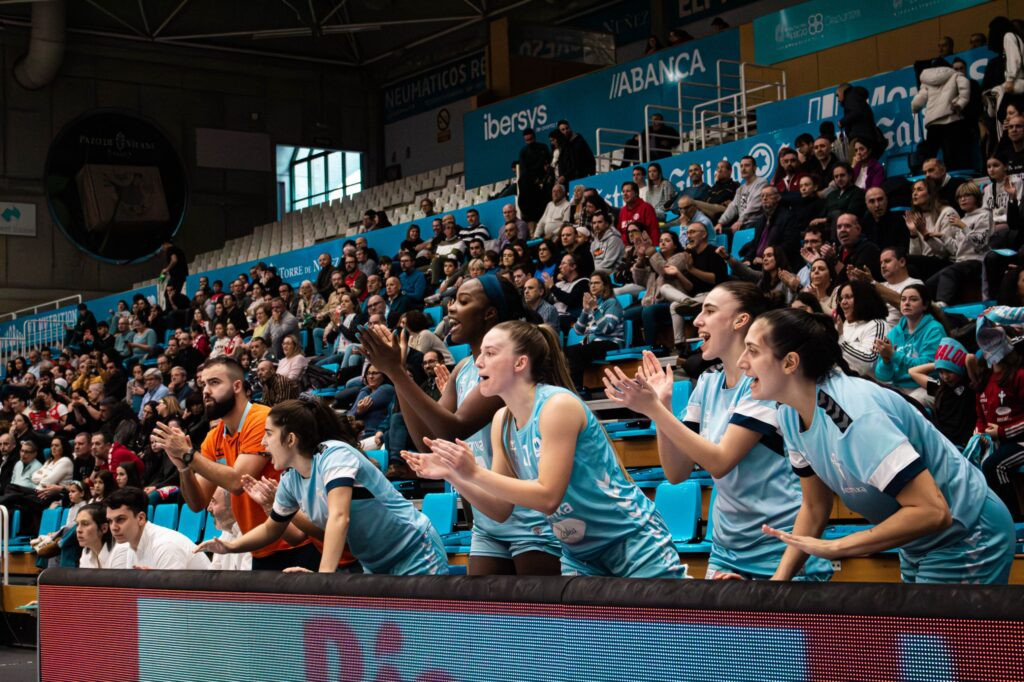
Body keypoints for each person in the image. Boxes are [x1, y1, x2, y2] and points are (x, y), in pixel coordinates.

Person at [738, 308, 1016, 584]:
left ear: (790, 363)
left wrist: (839, 546)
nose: (741, 362)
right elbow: (815, 506)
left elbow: (933, 511)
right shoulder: (789, 414)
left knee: (930, 629)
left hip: (968, 531)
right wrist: (777, 582)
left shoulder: (854, 416)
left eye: (752, 351)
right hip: (918, 543)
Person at [405, 321, 686, 578]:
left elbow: (548, 496)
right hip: (580, 556)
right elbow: (501, 509)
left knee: (663, 633)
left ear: (520, 363)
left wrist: (474, 472)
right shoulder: (502, 420)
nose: (478, 362)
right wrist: (456, 475)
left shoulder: (556, 406)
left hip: (632, 542)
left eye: (490, 353)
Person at [603, 283, 833, 581]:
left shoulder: (765, 385)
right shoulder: (708, 383)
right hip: (727, 552)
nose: (697, 321)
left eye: (709, 311)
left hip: (781, 551)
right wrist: (662, 405)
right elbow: (677, 473)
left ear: (740, 321)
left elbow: (720, 462)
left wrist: (654, 411)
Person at [358, 275, 562, 575]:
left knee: (541, 621)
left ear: (490, 313)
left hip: (530, 517)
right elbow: (428, 439)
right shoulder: (465, 368)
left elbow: (452, 429)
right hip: (487, 520)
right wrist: (397, 372)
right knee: (484, 620)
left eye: (464, 302)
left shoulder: (507, 368)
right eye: (452, 300)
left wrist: (396, 373)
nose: (451, 308)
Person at [198, 397, 447, 575]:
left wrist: (323, 578)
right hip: (375, 565)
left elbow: (340, 517)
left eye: (269, 434)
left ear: (291, 439)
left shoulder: (334, 455)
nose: (263, 442)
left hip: (414, 550)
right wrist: (230, 546)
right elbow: (272, 529)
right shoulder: (290, 480)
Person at [150, 357, 320, 571]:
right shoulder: (214, 437)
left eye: (214, 382)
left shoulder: (263, 420)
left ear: (237, 386)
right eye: (203, 384)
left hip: (297, 544)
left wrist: (188, 454)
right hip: (259, 546)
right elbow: (197, 503)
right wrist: (182, 467)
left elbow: (238, 482)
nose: (205, 391)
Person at [972, 317, 1024, 520]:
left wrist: (1001, 432)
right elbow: (980, 417)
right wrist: (979, 434)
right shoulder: (984, 380)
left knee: (995, 466)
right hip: (997, 442)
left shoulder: (1019, 376)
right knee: (971, 465)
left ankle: (1013, 520)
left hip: (1019, 441)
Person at [104, 486, 211, 569]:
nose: (113, 527)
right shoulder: (128, 545)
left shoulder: (166, 545)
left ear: (141, 518)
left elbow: (171, 596)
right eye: (110, 521)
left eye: (120, 519)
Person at [873, 284, 945, 404]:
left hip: (926, 387)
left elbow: (929, 366)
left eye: (913, 299)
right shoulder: (895, 332)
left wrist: (893, 355)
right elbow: (882, 376)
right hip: (899, 387)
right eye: (903, 299)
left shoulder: (934, 330)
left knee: (910, 404)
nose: (906, 303)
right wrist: (886, 360)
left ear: (925, 305)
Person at [907, 338, 975, 447]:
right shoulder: (940, 388)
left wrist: (947, 361)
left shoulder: (971, 385)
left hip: (960, 442)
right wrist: (940, 363)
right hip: (941, 439)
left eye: (949, 371)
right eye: (940, 372)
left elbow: (970, 358)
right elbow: (913, 371)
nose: (945, 377)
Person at [566, 273, 624, 392]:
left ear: (606, 286)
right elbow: (577, 330)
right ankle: (570, 388)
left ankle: (577, 388)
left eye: (597, 283)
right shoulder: (595, 304)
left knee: (575, 351)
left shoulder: (612, 303)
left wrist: (595, 309)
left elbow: (606, 329)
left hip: (611, 342)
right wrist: (586, 310)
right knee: (564, 352)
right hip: (595, 342)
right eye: (591, 283)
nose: (593, 286)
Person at [912, 58, 972, 172]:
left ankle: (929, 173)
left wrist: (914, 108)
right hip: (951, 119)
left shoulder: (926, 80)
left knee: (931, 152)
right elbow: (965, 89)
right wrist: (959, 104)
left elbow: (919, 99)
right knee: (953, 151)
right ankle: (955, 173)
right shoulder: (955, 75)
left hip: (933, 123)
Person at [835, 280, 890, 378]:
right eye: (841, 298)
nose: (843, 302)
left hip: (868, 384)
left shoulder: (877, 325)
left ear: (863, 299)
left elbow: (869, 362)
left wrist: (840, 339)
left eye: (848, 297)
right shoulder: (844, 324)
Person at [714, 156, 767, 235]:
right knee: (718, 232)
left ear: (755, 168)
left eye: (747, 165)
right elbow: (732, 207)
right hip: (743, 224)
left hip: (756, 223)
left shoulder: (761, 182)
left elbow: (754, 205)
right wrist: (720, 223)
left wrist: (740, 220)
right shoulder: (740, 189)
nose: (743, 169)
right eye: (741, 166)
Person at [204, 487, 252, 570]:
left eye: (213, 501)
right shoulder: (225, 533)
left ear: (233, 505)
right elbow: (212, 575)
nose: (209, 508)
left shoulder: (252, 536)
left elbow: (245, 581)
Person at [76, 503, 128, 569]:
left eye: (85, 524)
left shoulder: (122, 550)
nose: (78, 530)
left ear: (104, 528)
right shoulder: (86, 552)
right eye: (77, 524)